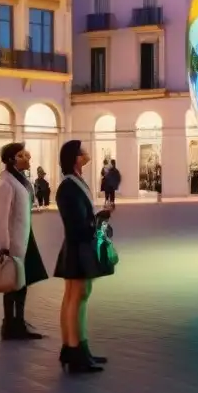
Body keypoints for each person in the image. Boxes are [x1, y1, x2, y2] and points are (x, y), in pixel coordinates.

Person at [54, 140, 112, 374]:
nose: (86, 153)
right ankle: (75, 351)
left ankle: (74, 347)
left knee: (75, 295)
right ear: (75, 158)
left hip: (75, 245)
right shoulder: (69, 186)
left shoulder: (74, 182)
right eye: (82, 151)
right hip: (78, 245)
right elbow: (76, 221)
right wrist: (99, 221)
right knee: (77, 296)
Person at [0, 143, 49, 340]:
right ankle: (9, 325)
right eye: (21, 155)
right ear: (10, 159)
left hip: (24, 236)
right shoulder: (5, 183)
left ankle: (19, 322)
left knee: (22, 282)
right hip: (13, 241)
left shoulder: (19, 179)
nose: (27, 157)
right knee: (11, 283)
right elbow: (0, 218)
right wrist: (3, 246)